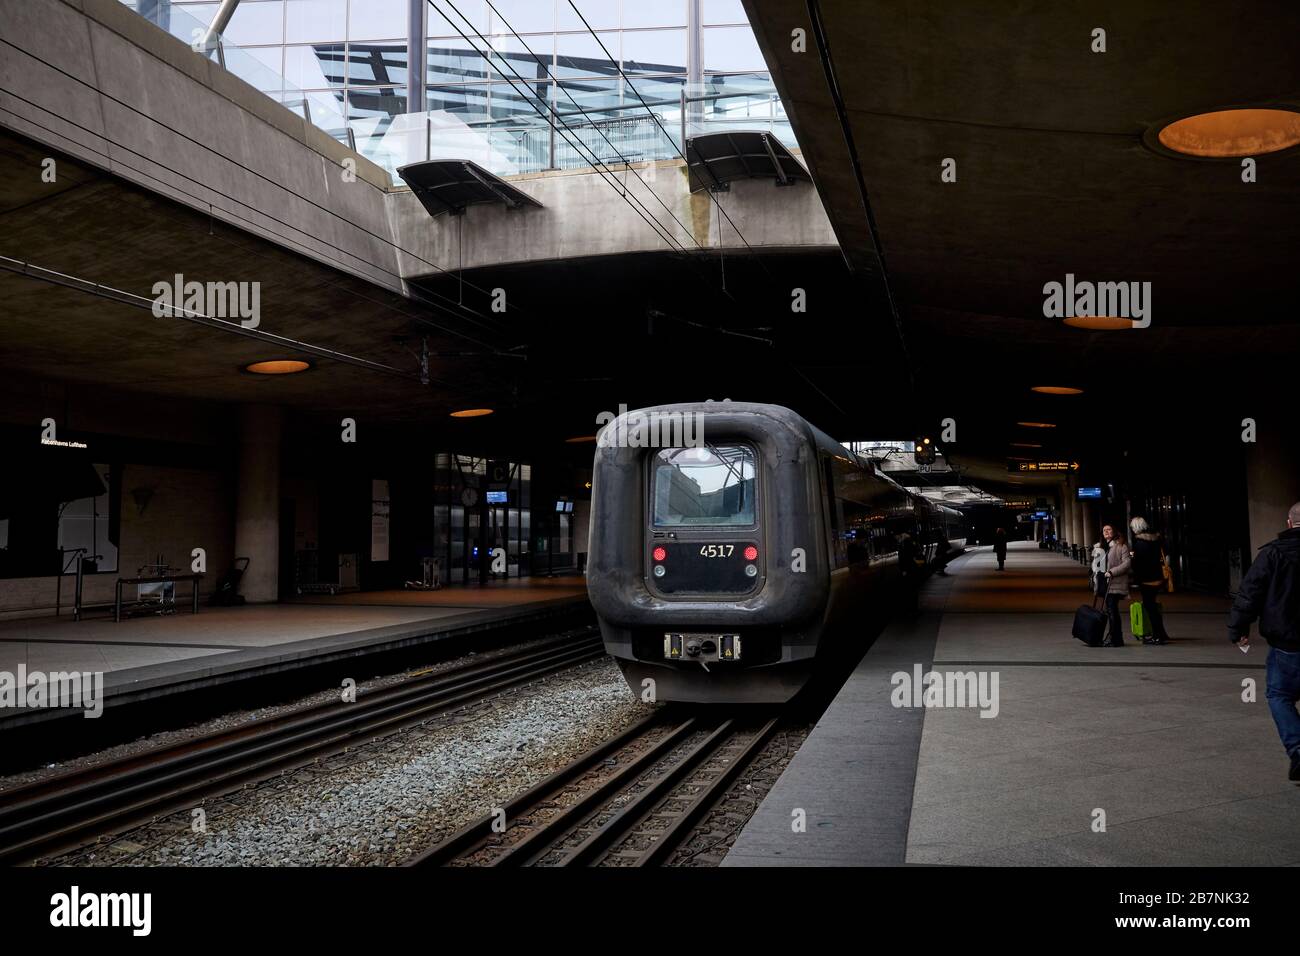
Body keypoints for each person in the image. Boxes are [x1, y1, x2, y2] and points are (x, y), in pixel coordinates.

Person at [1228, 501, 1300, 782]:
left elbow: (1249, 593)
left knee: (1279, 695)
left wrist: (1238, 628)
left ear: (1289, 522)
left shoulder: (1272, 555)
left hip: (1287, 643)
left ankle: (1297, 747)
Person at [1129, 516, 1171, 644]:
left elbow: (1138, 564)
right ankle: (1161, 633)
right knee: (1152, 605)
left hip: (1146, 579)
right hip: (1158, 576)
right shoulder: (1156, 540)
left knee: (1150, 606)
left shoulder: (1139, 543)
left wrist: (1132, 558)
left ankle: (1157, 635)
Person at [1102, 528, 1131, 646]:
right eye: (1104, 530)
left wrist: (1112, 572)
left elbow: (1127, 564)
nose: (1107, 531)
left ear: (1114, 532)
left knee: (1112, 611)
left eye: (1109, 529)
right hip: (1106, 584)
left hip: (1116, 583)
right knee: (1111, 611)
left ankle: (1115, 638)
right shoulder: (1103, 547)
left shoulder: (1121, 546)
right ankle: (1115, 637)